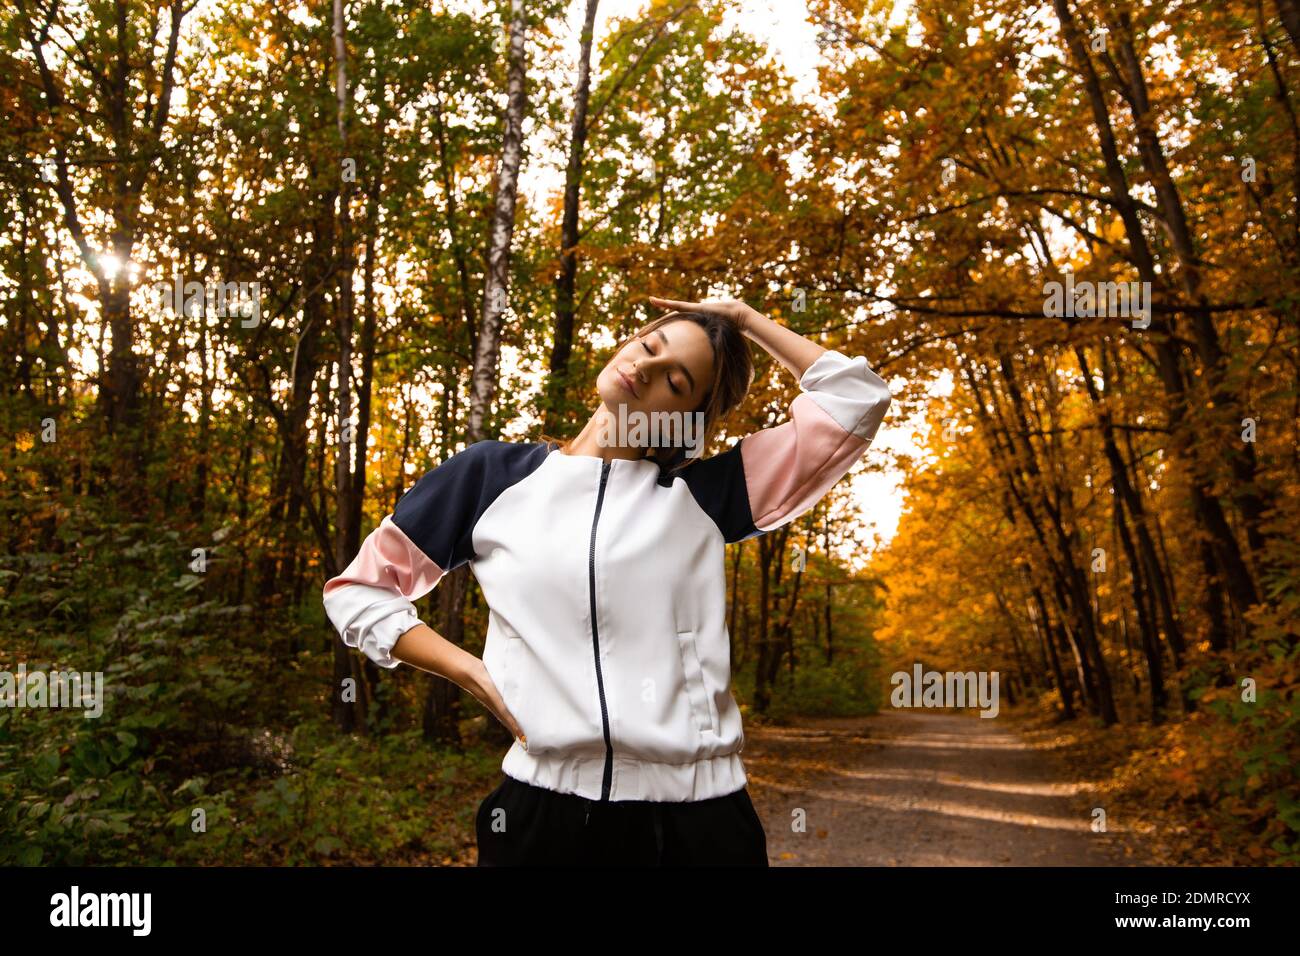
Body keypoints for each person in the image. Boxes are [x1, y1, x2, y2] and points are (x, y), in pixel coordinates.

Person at [322, 295, 893, 866]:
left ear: (686, 418)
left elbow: (855, 401)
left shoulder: (709, 497)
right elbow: (359, 592)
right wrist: (468, 671)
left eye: (674, 379)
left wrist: (741, 318)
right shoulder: (490, 477)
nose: (644, 368)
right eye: (649, 345)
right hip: (539, 818)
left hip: (698, 824)